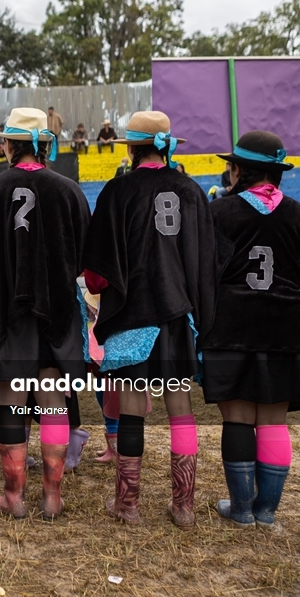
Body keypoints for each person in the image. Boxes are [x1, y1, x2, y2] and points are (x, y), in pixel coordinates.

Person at [83, 111, 218, 529]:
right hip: (177, 317)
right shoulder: (192, 191)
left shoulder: (117, 192)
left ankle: (128, 505)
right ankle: (184, 507)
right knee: (181, 409)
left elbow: (96, 273)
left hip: (131, 316)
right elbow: (206, 263)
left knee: (132, 410)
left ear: (130, 147)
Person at [0, 108, 90, 520]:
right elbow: (82, 262)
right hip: (57, 311)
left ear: (7, 145)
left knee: (12, 404)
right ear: (44, 145)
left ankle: (14, 495)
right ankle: (52, 496)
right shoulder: (69, 190)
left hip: (6, 311)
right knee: (54, 403)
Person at [201, 131, 300, 529]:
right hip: (288, 328)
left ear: (238, 170)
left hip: (232, 325)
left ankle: (240, 510)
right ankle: (266, 511)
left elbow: (204, 276)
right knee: (273, 421)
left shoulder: (219, 213)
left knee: (237, 418)